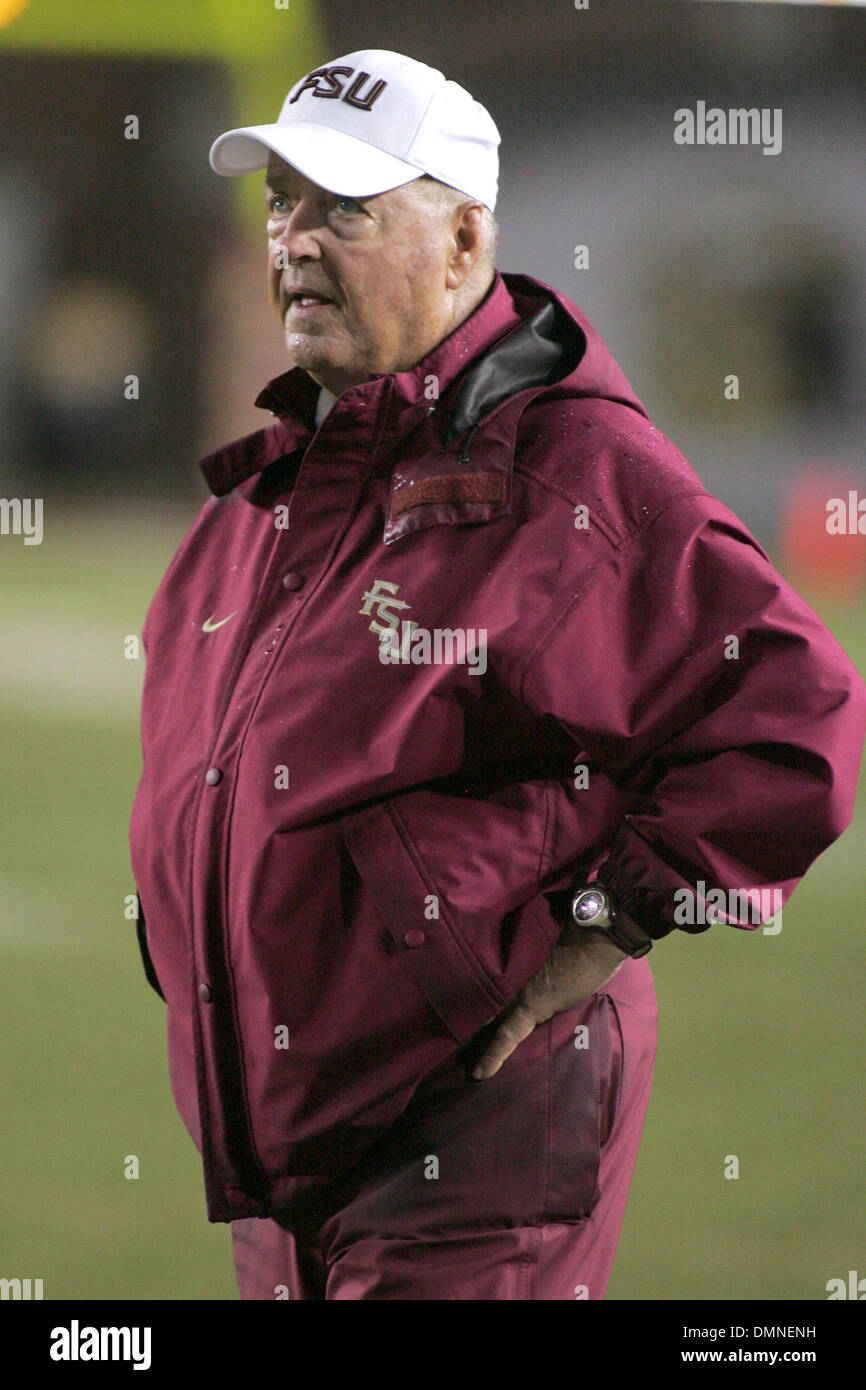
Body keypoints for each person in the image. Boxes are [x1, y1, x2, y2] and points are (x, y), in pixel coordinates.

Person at [129, 48, 866, 1300]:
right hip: (291, 1144)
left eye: (345, 209)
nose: (296, 242)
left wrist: (603, 927)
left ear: (465, 235)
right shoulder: (270, 490)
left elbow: (794, 716)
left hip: (471, 1137)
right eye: (282, 203)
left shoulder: (567, 470)